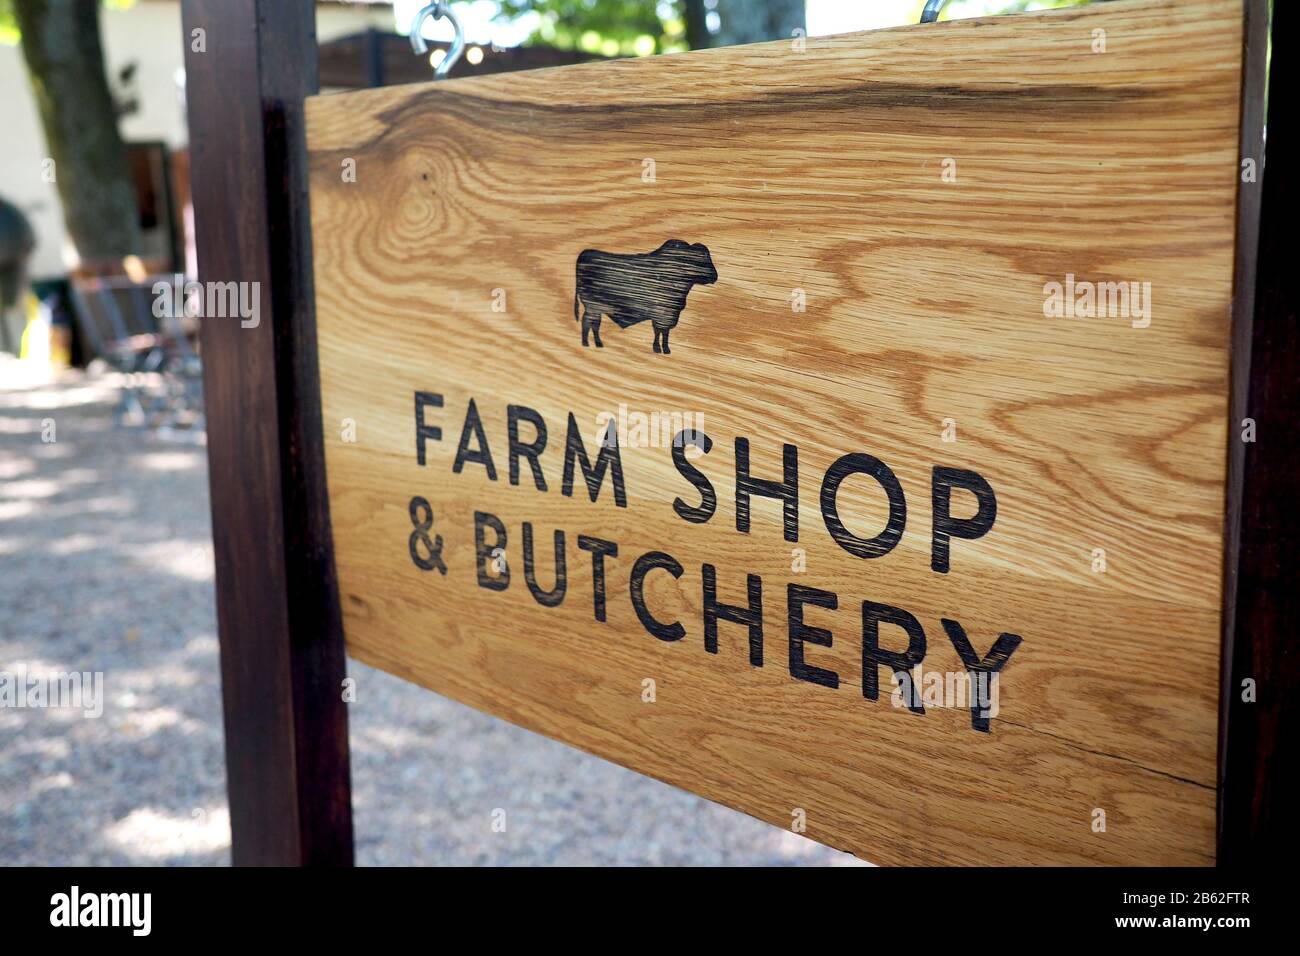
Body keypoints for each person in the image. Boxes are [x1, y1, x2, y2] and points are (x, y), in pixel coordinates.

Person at [0, 195, 37, 356]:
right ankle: (6, 351)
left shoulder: (10, 212)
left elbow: (28, 238)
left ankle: (16, 351)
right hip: (13, 264)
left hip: (13, 267)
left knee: (13, 310)